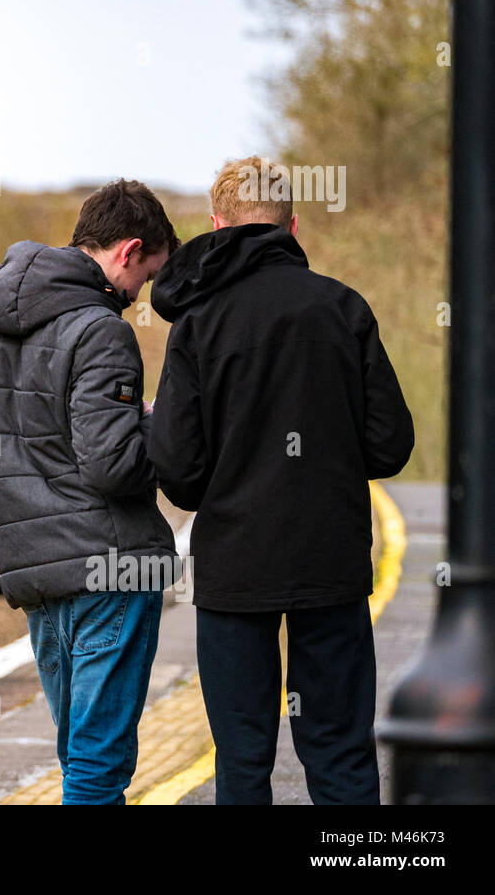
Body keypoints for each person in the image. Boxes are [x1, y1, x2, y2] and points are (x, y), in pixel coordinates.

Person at [148, 156, 414, 805]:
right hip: (332, 563)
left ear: (216, 226)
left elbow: (179, 475)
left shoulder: (197, 325)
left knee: (240, 759)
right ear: (294, 225)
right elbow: (390, 444)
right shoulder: (343, 308)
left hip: (235, 570)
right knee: (342, 751)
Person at [0, 178, 181, 804]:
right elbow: (112, 466)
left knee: (77, 756)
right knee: (97, 765)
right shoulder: (101, 331)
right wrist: (151, 427)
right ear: (127, 251)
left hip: (37, 571)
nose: (142, 294)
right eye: (149, 274)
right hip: (109, 567)